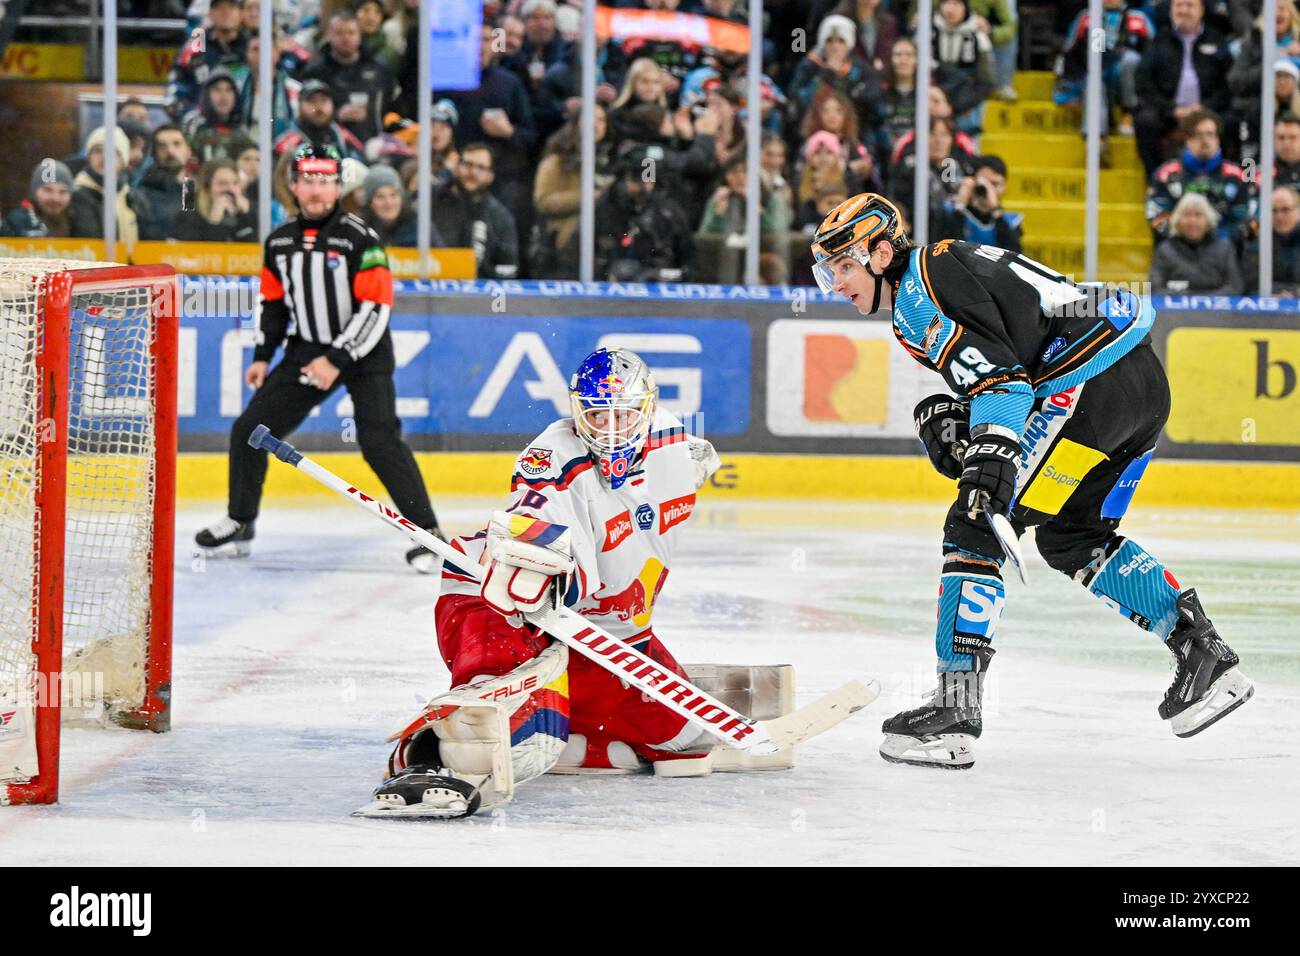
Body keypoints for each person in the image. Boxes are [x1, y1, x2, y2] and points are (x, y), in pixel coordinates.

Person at [808, 192, 1254, 768]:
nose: (836, 283)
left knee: (973, 523)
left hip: (1087, 385)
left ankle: (955, 708)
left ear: (882, 251)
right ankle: (1204, 654)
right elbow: (1010, 362)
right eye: (829, 270)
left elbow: (1006, 385)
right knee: (1075, 536)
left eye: (844, 266)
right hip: (1137, 387)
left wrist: (989, 458)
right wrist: (955, 422)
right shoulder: (942, 262)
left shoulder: (918, 294)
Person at [356, 347, 724, 816]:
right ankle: (434, 751)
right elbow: (532, 518)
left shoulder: (671, 441)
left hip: (614, 634)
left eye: (623, 416)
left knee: (686, 742)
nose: (609, 429)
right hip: (535, 620)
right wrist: (538, 564)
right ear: (576, 411)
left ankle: (576, 730)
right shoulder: (550, 458)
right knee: (514, 711)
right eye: (595, 415)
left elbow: (680, 469)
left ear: (647, 409)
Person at [195, 144, 444, 571]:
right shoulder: (279, 242)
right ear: (292, 185)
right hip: (307, 351)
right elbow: (273, 304)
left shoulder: (360, 238)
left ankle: (428, 534)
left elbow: (376, 308)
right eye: (307, 179)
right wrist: (262, 356)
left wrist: (338, 357)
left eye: (324, 180)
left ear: (337, 186)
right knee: (249, 430)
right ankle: (241, 521)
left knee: (380, 441)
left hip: (363, 353)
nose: (315, 189)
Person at [1145, 109, 1255, 245]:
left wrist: (1215, 239)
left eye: (1210, 134)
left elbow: (1246, 220)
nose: (1204, 140)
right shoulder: (1165, 175)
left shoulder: (1237, 176)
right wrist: (1188, 236)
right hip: (1178, 253)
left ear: (1218, 139)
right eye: (1198, 135)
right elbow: (1155, 217)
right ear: (1187, 139)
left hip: (1224, 256)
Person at [299, 10, 395, 144]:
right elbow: (305, 112)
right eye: (339, 33)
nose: (346, 38)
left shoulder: (380, 69)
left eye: (351, 32)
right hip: (327, 143)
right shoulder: (315, 72)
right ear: (329, 35)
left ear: (360, 35)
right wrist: (335, 116)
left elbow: (391, 107)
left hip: (374, 143)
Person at [430, 142, 520, 278]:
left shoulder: (499, 216)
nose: (473, 172)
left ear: (490, 176)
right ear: (457, 166)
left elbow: (509, 268)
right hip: (429, 288)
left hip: (478, 294)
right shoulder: (431, 200)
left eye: (481, 168)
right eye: (468, 164)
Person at [68, 127, 161, 243]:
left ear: (124, 160)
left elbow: (152, 242)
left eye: (113, 152)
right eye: (98, 151)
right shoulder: (77, 194)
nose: (104, 157)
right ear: (88, 157)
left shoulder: (134, 197)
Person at [165, 0, 251, 119]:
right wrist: (185, 114)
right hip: (201, 121)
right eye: (220, 8)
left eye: (231, 8)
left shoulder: (253, 46)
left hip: (244, 122)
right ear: (210, 13)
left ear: (241, 13)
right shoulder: (195, 46)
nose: (226, 13)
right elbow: (177, 84)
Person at [1149, 192, 1246, 293]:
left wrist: (1204, 303)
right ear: (1178, 220)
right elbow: (1155, 287)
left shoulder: (1225, 247)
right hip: (1176, 307)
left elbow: (1235, 286)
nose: (1193, 221)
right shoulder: (1165, 249)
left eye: (1198, 215)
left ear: (1208, 219)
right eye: (1187, 215)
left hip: (1217, 308)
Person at [937, 154, 1024, 252]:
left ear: (1004, 187)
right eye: (983, 182)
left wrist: (996, 210)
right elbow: (947, 251)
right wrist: (960, 204)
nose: (988, 189)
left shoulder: (1011, 221)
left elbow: (1013, 256)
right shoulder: (951, 212)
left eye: (994, 184)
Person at [169, 158, 257, 242]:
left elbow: (256, 250)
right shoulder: (189, 215)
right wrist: (214, 223)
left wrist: (246, 217)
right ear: (207, 188)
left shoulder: (251, 211)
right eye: (222, 184)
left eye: (235, 183)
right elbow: (201, 253)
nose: (231, 189)